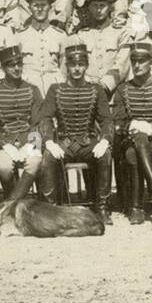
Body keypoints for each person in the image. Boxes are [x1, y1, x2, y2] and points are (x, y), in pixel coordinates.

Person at [40, 38, 115, 224]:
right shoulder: (55, 89)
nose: (77, 69)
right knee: (48, 156)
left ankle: (102, 207)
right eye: (72, 64)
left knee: (105, 154)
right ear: (66, 66)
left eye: (81, 64)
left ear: (86, 66)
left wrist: (105, 139)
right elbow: (45, 118)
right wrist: (49, 141)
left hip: (88, 142)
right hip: (64, 143)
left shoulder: (96, 89)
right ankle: (51, 208)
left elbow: (106, 119)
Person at [110, 41, 152, 223]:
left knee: (134, 153)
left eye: (142, 60)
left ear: (151, 62)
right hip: (129, 141)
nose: (137, 65)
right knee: (133, 149)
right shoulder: (123, 90)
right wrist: (131, 126)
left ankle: (136, 208)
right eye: (134, 61)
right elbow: (117, 122)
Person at [0, 43, 46, 203]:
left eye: (19, 64)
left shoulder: (33, 90)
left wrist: (30, 144)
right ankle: (15, 201)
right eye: (11, 65)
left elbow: (39, 122)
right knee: (4, 167)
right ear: (3, 68)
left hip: (29, 140)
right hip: (5, 141)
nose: (16, 68)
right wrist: (5, 145)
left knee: (34, 162)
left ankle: (11, 204)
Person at [75, 0, 126, 95]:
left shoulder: (121, 33)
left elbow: (122, 64)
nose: (98, 10)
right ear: (89, 8)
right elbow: (78, 63)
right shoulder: (82, 35)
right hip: (88, 93)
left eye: (102, 6)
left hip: (114, 95)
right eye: (95, 6)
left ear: (110, 8)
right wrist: (89, 84)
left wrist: (105, 85)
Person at [17, 0, 65, 95]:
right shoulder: (20, 36)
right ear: (30, 8)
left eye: (43, 5)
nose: (40, 9)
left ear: (50, 8)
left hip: (54, 88)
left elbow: (64, 65)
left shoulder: (60, 35)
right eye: (35, 5)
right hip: (28, 87)